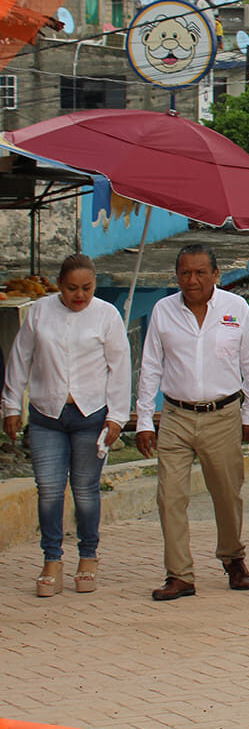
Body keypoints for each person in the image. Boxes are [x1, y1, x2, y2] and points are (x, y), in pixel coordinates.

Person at [135, 245, 249, 601]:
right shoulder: (163, 311)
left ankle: (233, 557)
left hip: (223, 415)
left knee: (226, 494)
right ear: (176, 276)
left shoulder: (236, 309)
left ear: (215, 274)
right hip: (176, 416)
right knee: (169, 497)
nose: (192, 280)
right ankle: (180, 575)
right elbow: (151, 367)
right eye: (185, 273)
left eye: (200, 273)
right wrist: (145, 419)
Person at [2, 255, 130, 596]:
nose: (79, 295)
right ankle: (52, 560)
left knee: (86, 491)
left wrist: (117, 417)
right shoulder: (41, 312)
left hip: (91, 416)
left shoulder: (106, 315)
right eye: (72, 288)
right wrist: (10, 406)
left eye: (87, 288)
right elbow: (20, 359)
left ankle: (88, 556)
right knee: (48, 489)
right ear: (59, 284)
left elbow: (120, 368)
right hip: (47, 415)